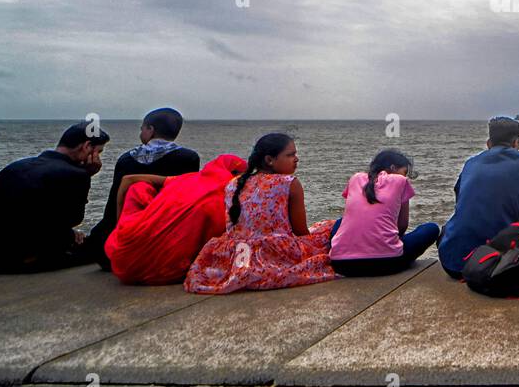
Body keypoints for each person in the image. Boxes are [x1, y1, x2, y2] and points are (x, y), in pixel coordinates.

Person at [184, 133, 334, 294]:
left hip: (237, 254)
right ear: (269, 160)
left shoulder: (233, 183)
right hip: (271, 254)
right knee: (328, 228)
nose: (296, 159)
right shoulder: (289, 183)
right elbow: (301, 231)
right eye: (290, 155)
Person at [0, 123, 110, 272]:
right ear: (87, 146)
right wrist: (86, 175)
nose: (98, 158)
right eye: (99, 152)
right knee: (101, 248)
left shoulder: (16, 166)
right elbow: (74, 219)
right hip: (25, 259)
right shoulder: (75, 174)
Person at [104, 154, 246, 285]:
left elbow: (127, 180)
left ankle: (126, 234)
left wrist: (118, 227)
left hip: (121, 259)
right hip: (165, 271)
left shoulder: (188, 179)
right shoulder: (228, 197)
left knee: (139, 188)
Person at [88, 107, 201, 269]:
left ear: (150, 130)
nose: (140, 133)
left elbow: (113, 206)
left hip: (124, 242)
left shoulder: (126, 159)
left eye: (142, 129)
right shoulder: (188, 158)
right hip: (164, 244)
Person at [438, 116, 519, 278]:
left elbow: (459, 200)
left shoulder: (471, 163)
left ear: (488, 143)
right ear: (516, 143)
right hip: (495, 267)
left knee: (449, 227)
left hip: (452, 264)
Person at [328, 149, 440, 277]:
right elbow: (402, 225)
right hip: (387, 264)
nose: (405, 177)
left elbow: (353, 217)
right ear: (393, 168)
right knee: (431, 228)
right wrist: (387, 241)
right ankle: (385, 249)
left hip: (341, 265)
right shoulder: (400, 181)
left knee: (340, 222)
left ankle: (341, 250)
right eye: (404, 172)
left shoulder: (355, 178)